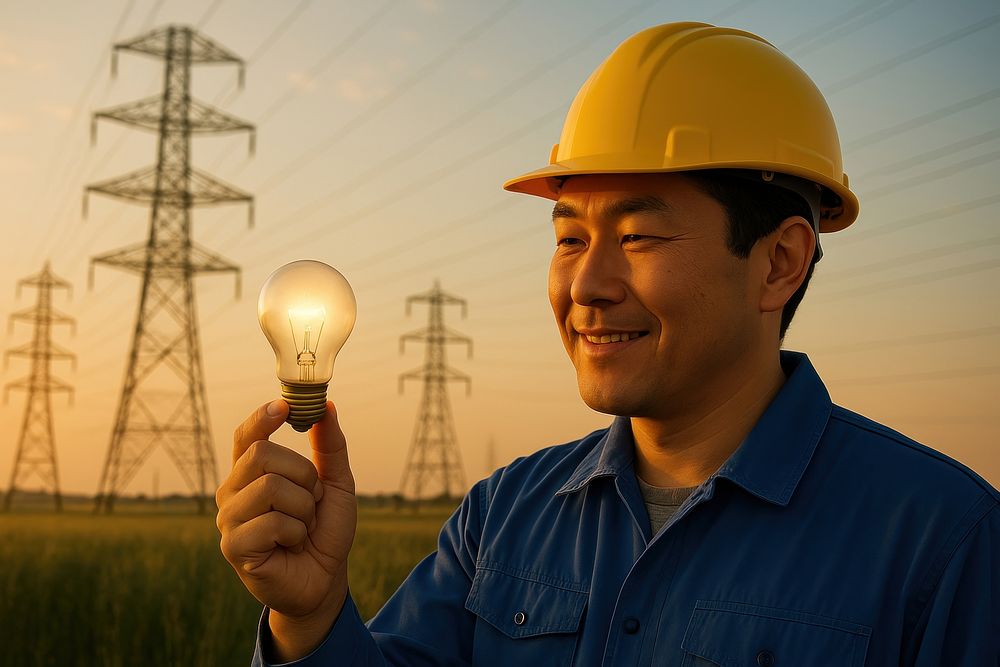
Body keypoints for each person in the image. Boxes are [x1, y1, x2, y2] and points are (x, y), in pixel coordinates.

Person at [215, 22, 999, 666]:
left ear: (779, 263)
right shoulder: (504, 516)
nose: (586, 284)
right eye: (569, 239)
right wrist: (309, 619)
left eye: (638, 235)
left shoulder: (944, 542)